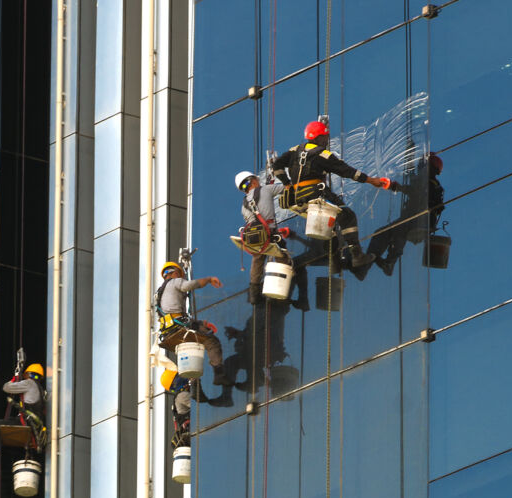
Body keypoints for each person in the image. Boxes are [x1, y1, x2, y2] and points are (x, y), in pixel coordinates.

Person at [269, 119, 383, 275]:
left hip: (297, 199)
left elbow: (276, 166)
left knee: (330, 230)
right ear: (318, 138)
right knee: (347, 216)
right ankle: (357, 256)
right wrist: (372, 180)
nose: (327, 140)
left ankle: (335, 263)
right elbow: (348, 171)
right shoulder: (323, 155)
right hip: (316, 193)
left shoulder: (295, 150)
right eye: (325, 137)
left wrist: (287, 183)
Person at [155, 261, 228, 382]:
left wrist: (199, 323)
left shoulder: (158, 294)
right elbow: (190, 285)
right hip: (179, 327)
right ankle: (219, 374)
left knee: (190, 353)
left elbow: (171, 314)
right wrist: (209, 279)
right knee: (211, 341)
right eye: (181, 275)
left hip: (168, 331)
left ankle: (194, 386)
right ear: (176, 272)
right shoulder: (175, 281)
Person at [235, 170, 290, 304]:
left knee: (257, 260)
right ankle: (283, 284)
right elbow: (287, 188)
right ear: (253, 181)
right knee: (282, 255)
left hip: (254, 239)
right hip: (270, 234)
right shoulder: (267, 189)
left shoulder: (243, 204)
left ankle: (254, 294)